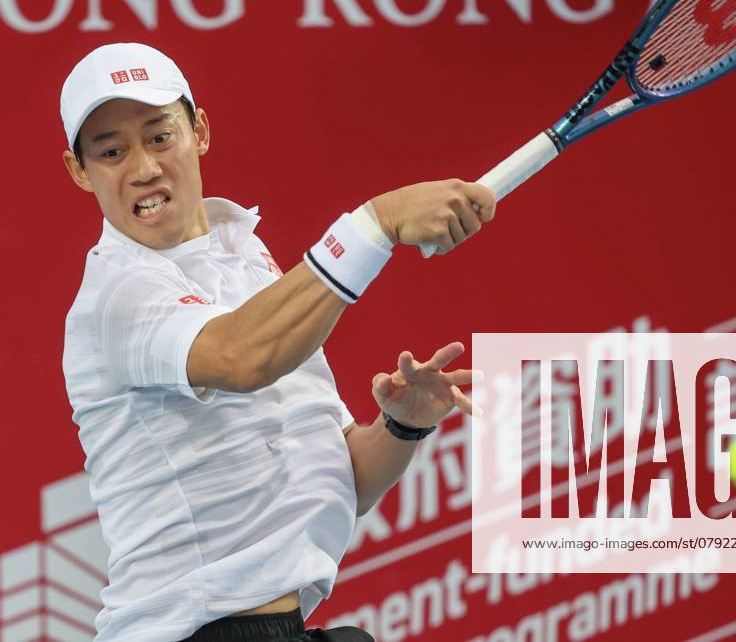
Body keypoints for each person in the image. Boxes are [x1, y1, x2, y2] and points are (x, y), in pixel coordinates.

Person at [60, 43, 496, 642]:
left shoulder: (246, 256)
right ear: (80, 170)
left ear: (199, 131)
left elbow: (345, 480)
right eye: (112, 152)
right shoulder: (117, 295)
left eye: (160, 137)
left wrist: (402, 426)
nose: (143, 168)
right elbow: (243, 358)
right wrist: (375, 224)